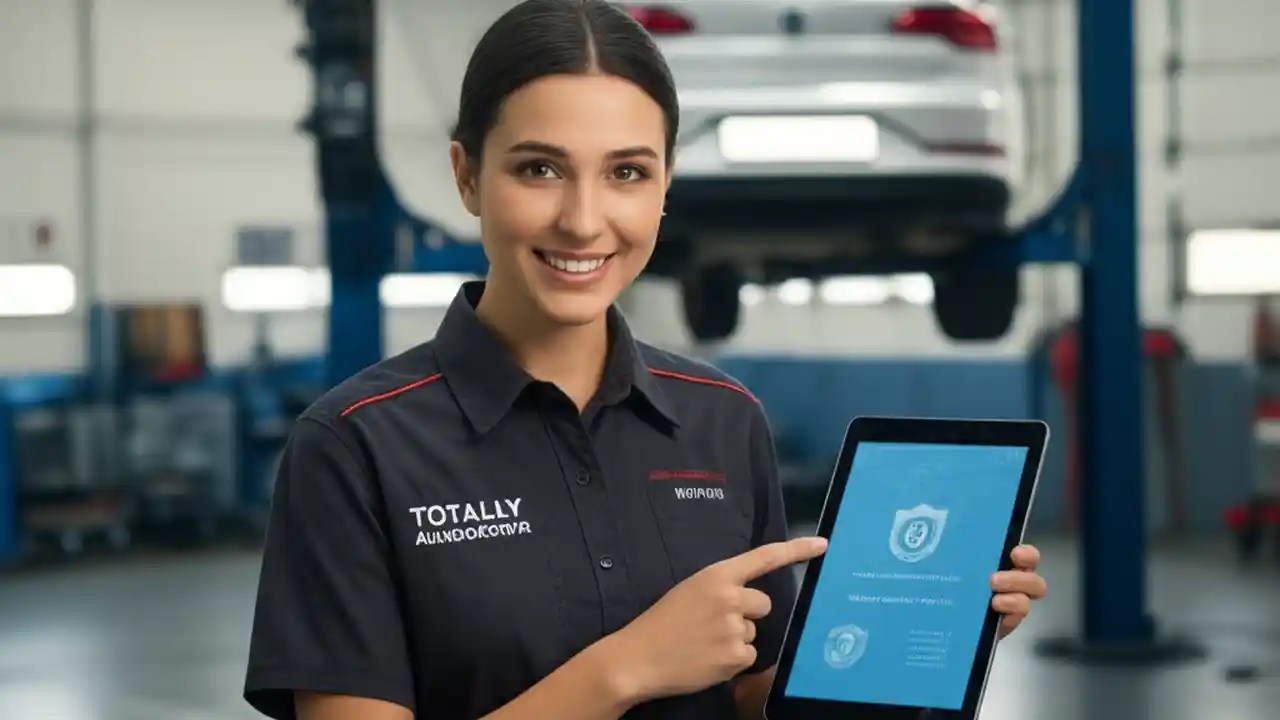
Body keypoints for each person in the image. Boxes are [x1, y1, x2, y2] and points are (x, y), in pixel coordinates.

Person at [243, 2, 1048, 718]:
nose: (584, 219)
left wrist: (924, 636)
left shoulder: (722, 419)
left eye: (627, 172)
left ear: (664, 187)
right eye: (539, 168)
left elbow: (753, 696)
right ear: (467, 176)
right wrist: (624, 670)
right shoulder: (355, 447)